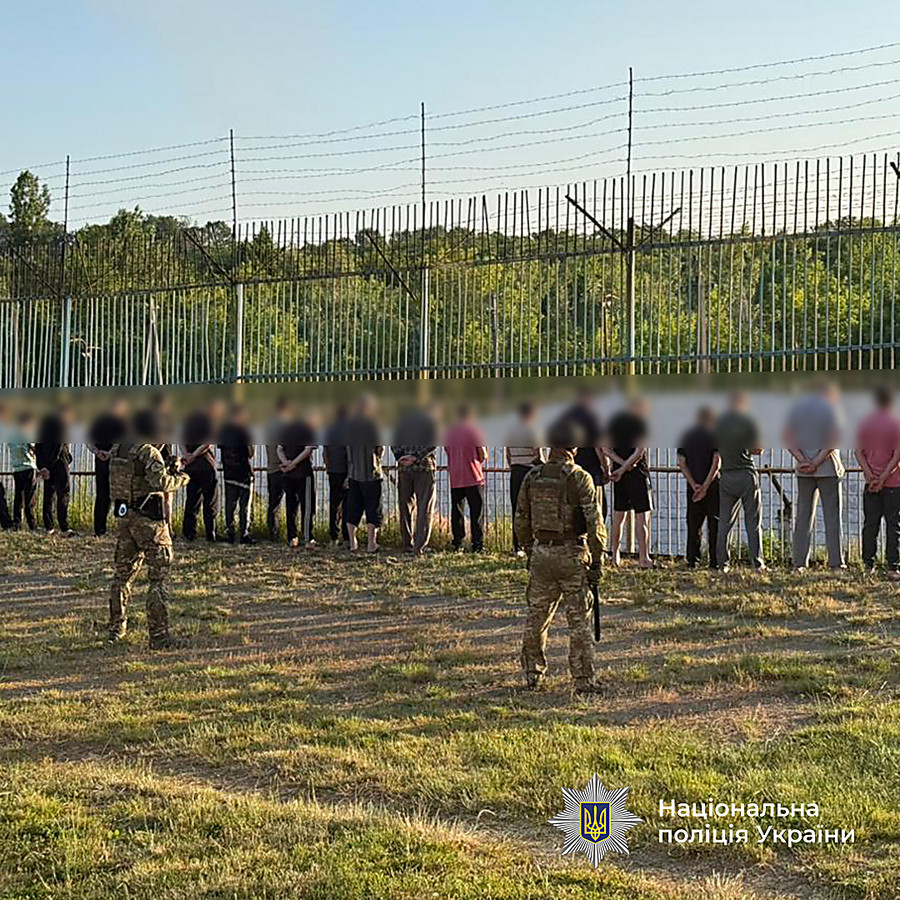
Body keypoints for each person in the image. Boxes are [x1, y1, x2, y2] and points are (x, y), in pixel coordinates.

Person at [516, 417, 606, 694]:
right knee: (578, 620)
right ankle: (583, 680)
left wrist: (532, 551)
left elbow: (521, 520)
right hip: (572, 554)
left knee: (536, 616)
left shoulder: (532, 476)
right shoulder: (580, 477)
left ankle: (533, 674)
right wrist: (597, 561)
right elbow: (595, 524)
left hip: (542, 553)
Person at [107, 409, 190, 649]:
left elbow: (126, 482)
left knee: (122, 576)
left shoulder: (119, 449)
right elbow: (160, 483)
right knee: (158, 578)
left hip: (125, 519)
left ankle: (116, 628)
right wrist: (181, 477)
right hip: (148, 521)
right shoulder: (148, 452)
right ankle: (160, 636)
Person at [785, 380, 845, 571]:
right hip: (828, 469)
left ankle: (799, 563)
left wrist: (803, 460)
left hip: (803, 471)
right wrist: (817, 461)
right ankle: (836, 562)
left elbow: (788, 440)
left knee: (803, 517)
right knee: (832, 517)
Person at [714, 390, 765, 572]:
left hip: (726, 475)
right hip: (746, 474)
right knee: (752, 521)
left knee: (724, 523)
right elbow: (758, 448)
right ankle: (757, 563)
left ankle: (722, 564)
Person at [856, 385, 900, 580]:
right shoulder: (895, 423)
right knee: (893, 526)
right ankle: (893, 566)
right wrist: (883, 478)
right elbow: (897, 455)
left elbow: (858, 452)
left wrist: (870, 476)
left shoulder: (865, 423)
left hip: (870, 482)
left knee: (870, 525)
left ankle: (868, 564)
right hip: (893, 482)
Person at [606, 397, 653, 568]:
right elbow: (639, 451)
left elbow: (605, 449)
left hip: (620, 476)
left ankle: (615, 554)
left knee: (619, 516)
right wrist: (626, 466)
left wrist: (619, 466)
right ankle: (643, 557)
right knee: (643, 516)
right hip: (638, 474)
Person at [676, 406, 721, 569]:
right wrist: (706, 486)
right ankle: (715, 561)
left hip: (693, 486)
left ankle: (693, 560)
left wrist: (694, 484)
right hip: (713, 485)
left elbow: (682, 463)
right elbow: (716, 463)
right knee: (714, 523)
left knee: (693, 523)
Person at [392, 405, 438, 555]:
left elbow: (394, 444)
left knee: (405, 506)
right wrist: (416, 457)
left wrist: (401, 457)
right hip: (424, 467)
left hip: (404, 468)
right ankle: (420, 546)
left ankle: (407, 543)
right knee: (424, 507)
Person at [445, 403, 488, 552]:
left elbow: (447, 450)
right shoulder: (474, 430)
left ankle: (458, 543)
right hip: (473, 476)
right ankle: (477, 544)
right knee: (477, 512)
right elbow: (482, 453)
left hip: (456, 476)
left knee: (457, 511)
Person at [345, 394, 384, 553]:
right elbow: (380, 448)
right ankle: (371, 543)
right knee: (373, 508)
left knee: (353, 508)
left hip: (354, 473)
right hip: (372, 473)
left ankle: (353, 542)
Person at [505, 400, 544, 557]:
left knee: (517, 508)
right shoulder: (534, 430)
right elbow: (539, 454)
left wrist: (514, 464)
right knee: (532, 508)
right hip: (530, 470)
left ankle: (517, 546)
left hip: (515, 471)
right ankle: (532, 543)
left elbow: (508, 454)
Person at [87, 397, 129, 537]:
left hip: (101, 462)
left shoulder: (98, 421)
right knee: (121, 495)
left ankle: (99, 529)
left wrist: (98, 452)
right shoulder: (123, 423)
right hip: (117, 463)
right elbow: (124, 442)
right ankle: (121, 528)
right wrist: (110, 453)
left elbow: (89, 441)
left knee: (102, 496)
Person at [181, 401, 223, 542]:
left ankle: (189, 532)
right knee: (210, 500)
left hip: (191, 467)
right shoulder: (211, 421)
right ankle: (210, 532)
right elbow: (208, 443)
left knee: (192, 500)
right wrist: (195, 454)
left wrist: (187, 454)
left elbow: (181, 440)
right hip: (206, 465)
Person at [562, 388, 608, 513]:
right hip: (592, 470)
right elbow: (599, 447)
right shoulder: (593, 419)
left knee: (576, 509)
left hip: (573, 469)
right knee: (597, 509)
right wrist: (606, 468)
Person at [278, 411, 317, 548]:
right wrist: (294, 463)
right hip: (303, 473)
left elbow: (279, 449)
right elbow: (307, 450)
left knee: (291, 506)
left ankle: (292, 537)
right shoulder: (308, 430)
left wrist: (286, 463)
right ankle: (307, 538)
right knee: (307, 507)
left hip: (288, 475)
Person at [219, 404, 256, 544]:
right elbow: (251, 453)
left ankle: (230, 532)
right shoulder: (244, 431)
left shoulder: (223, 431)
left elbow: (222, 450)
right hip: (244, 473)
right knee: (244, 505)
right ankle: (244, 534)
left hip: (228, 473)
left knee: (230, 504)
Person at [35, 405, 74, 536]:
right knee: (63, 495)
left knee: (48, 495)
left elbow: (38, 447)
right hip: (59, 465)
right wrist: (51, 464)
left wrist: (42, 466)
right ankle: (64, 527)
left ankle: (49, 526)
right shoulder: (62, 425)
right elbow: (59, 446)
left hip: (47, 466)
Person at [323, 405, 350, 546]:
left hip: (333, 471)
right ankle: (347, 536)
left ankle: (333, 535)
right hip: (346, 472)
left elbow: (325, 452)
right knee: (347, 505)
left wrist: (328, 467)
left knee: (334, 504)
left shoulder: (330, 430)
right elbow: (350, 455)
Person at [265, 397, 291, 541]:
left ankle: (273, 533)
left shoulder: (268, 425)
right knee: (292, 503)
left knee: (273, 503)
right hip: (286, 467)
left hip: (271, 467)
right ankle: (290, 533)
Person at [9, 411, 38, 530]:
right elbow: (33, 448)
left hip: (17, 468)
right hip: (29, 467)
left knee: (18, 497)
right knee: (29, 498)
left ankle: (17, 523)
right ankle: (32, 524)